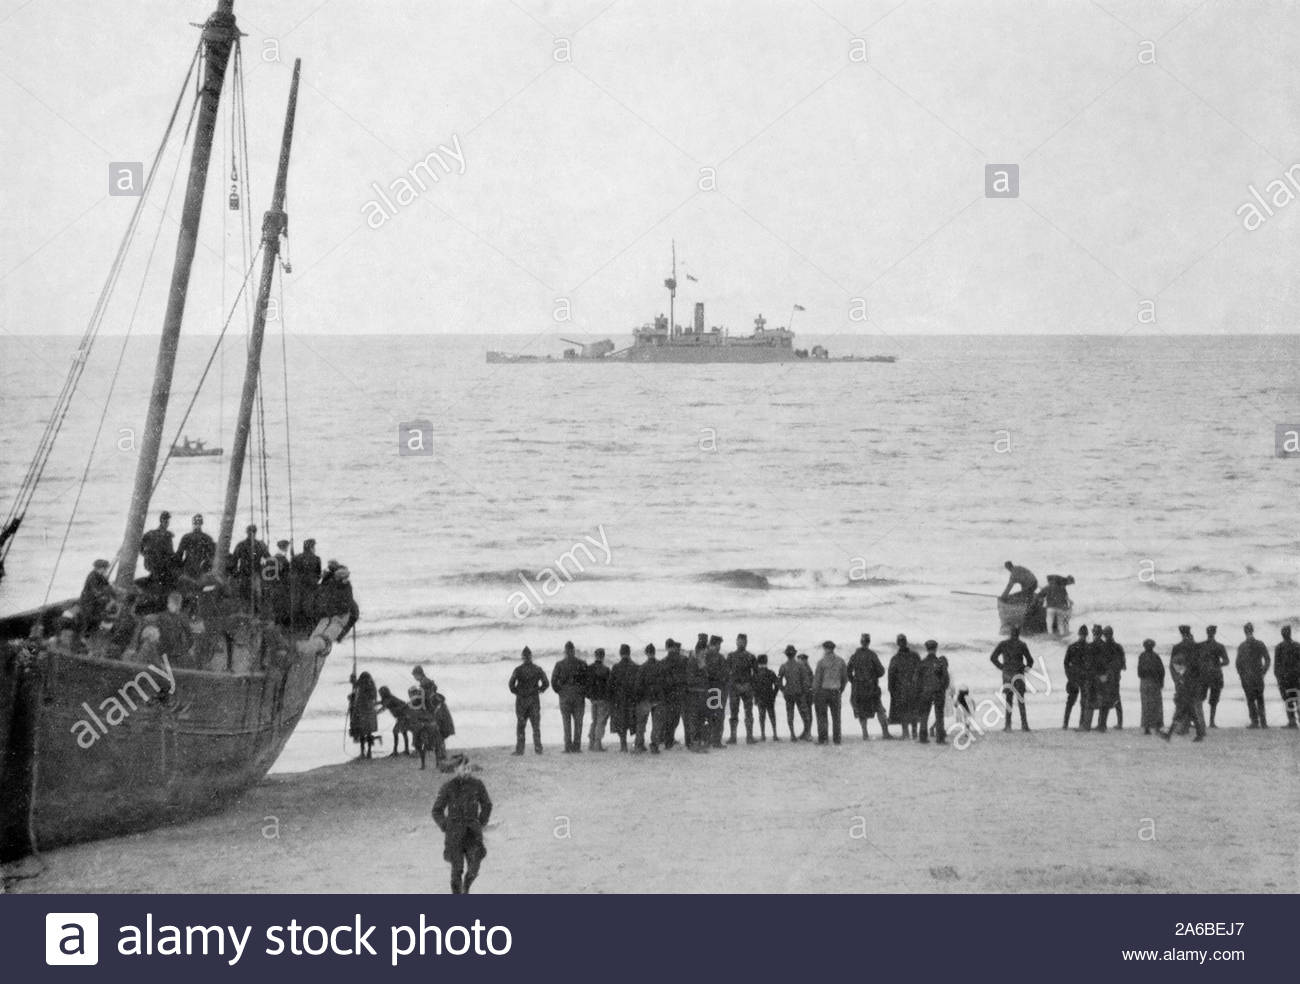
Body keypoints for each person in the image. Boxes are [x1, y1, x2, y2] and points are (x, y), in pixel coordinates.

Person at [431, 757, 492, 894]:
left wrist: (481, 821)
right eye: (464, 768)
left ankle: (467, 887)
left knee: (474, 868)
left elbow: (487, 804)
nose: (467, 771)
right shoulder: (448, 787)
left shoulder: (477, 784)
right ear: (455, 770)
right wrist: (445, 824)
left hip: (472, 833)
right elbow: (436, 810)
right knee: (456, 870)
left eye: (469, 768)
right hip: (454, 835)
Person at [1162, 630, 1206, 742]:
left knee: (1183, 711)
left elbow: (1175, 666)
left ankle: (1171, 733)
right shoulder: (1196, 648)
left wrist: (1178, 681)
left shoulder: (1179, 649)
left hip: (1186, 687)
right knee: (1190, 711)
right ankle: (1199, 733)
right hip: (1192, 685)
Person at [990, 625, 1033, 732]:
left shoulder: (1003, 644)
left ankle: (1008, 726)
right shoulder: (1022, 645)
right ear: (1018, 634)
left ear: (1010, 633)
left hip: (1007, 674)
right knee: (1021, 700)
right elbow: (1030, 661)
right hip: (1018, 674)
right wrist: (1025, 669)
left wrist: (1002, 667)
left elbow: (993, 658)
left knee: (1009, 700)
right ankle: (1024, 725)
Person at [848, 633, 891, 740]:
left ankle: (865, 734)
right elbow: (881, 671)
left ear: (860, 642)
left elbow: (848, 671)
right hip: (871, 687)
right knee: (879, 709)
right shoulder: (872, 655)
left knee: (861, 711)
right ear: (869, 642)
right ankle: (885, 733)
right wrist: (873, 676)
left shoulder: (855, 655)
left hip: (858, 687)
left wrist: (854, 681)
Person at [508, 646, 548, 755]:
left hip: (521, 702)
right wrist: (539, 690)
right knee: (536, 727)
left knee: (521, 727)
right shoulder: (538, 669)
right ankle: (538, 749)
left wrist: (518, 692)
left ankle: (520, 750)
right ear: (531, 657)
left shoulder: (518, 670)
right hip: (534, 701)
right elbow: (546, 683)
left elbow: (511, 685)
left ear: (522, 657)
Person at [551, 641, 588, 753]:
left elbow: (553, 681)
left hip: (565, 696)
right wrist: (583, 691)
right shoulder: (582, 663)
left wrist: (560, 691)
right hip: (578, 696)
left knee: (566, 722)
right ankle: (576, 747)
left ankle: (567, 746)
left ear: (565, 651)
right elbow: (588, 680)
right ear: (574, 650)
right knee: (578, 722)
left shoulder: (559, 664)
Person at [311, 563, 359, 646]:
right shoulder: (339, 584)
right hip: (332, 615)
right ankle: (337, 637)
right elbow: (352, 611)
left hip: (323, 614)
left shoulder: (326, 582)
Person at [812, 640, 848, 745]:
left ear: (825, 649)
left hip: (823, 691)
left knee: (822, 716)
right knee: (836, 717)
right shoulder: (841, 661)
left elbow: (817, 680)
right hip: (836, 691)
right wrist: (841, 690)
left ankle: (823, 739)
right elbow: (845, 678)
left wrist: (814, 692)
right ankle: (837, 739)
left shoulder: (821, 662)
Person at [1235, 622, 1270, 728]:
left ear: (1244, 632)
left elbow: (1238, 663)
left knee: (1250, 699)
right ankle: (1263, 722)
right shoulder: (1260, 644)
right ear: (1252, 631)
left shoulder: (1242, 646)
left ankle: (1255, 722)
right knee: (1260, 698)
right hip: (1258, 675)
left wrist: (1241, 675)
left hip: (1247, 676)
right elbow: (1267, 659)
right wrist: (1263, 671)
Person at [916, 640, 950, 744]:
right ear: (936, 649)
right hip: (938, 691)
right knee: (939, 715)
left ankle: (922, 738)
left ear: (927, 649)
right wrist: (943, 689)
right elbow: (946, 678)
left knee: (924, 715)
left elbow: (916, 680)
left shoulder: (922, 663)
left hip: (925, 692)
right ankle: (940, 738)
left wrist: (920, 691)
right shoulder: (940, 662)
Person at [726, 633, 757, 744]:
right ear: (736, 641)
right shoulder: (731, 656)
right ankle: (734, 737)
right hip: (737, 687)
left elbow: (756, 674)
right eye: (740, 641)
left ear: (746, 642)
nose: (741, 643)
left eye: (743, 641)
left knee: (748, 712)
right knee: (734, 713)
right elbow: (727, 673)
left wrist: (749, 685)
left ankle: (749, 736)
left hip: (744, 687)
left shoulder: (751, 656)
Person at [888, 635, 921, 739]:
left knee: (903, 712)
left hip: (900, 689)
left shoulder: (895, 658)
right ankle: (914, 733)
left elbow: (891, 676)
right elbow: (920, 672)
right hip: (913, 688)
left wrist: (891, 690)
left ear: (898, 643)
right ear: (906, 642)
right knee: (913, 710)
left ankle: (905, 733)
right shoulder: (915, 656)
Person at [608, 644, 640, 752]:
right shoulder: (635, 667)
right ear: (629, 653)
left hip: (619, 699)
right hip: (632, 698)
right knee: (633, 721)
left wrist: (611, 699)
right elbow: (638, 684)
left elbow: (610, 685)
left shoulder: (616, 667)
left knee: (621, 722)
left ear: (620, 653)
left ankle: (623, 745)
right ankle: (637, 743)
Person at [229, 523, 270, 605]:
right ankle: (256, 611)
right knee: (257, 593)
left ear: (246, 532)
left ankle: (245, 611)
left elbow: (234, 560)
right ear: (255, 532)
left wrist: (234, 573)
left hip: (244, 573)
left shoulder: (241, 544)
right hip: (255, 572)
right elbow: (268, 557)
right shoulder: (260, 544)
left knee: (244, 593)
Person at [777, 645, 812, 740]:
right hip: (799, 692)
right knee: (805, 714)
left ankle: (792, 735)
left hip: (788, 693)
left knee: (790, 714)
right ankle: (807, 734)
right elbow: (806, 680)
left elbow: (778, 680)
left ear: (786, 655)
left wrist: (783, 690)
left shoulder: (783, 666)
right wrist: (805, 691)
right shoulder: (800, 665)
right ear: (795, 654)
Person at [1169, 625, 1199, 735]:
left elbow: (1172, 665)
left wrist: (1176, 679)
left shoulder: (1177, 647)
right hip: (1192, 678)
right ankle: (1192, 726)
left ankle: (1183, 727)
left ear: (1181, 633)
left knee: (1181, 701)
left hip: (1180, 677)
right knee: (1191, 701)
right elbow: (1198, 663)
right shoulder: (1195, 646)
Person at [77, 558, 117, 638]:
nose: (106, 570)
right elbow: (97, 591)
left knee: (98, 617)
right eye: (105, 568)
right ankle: (85, 638)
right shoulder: (92, 577)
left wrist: (113, 592)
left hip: (95, 601)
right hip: (88, 602)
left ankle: (96, 632)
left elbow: (107, 586)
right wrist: (107, 598)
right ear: (100, 568)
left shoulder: (100, 576)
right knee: (88, 620)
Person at [658, 639, 687, 750]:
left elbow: (660, 679)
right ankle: (669, 740)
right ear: (675, 647)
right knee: (675, 718)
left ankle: (667, 740)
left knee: (668, 718)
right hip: (679, 692)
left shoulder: (663, 661)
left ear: (666, 647)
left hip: (667, 694)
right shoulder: (682, 660)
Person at [1200, 625, 1229, 728]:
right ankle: (1211, 722)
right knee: (1214, 700)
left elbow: (1195, 660)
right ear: (1214, 633)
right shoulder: (1219, 646)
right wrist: (1218, 665)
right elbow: (1226, 661)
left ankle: (1200, 721)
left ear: (1207, 633)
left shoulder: (1201, 645)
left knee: (1201, 698)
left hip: (1203, 675)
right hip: (1216, 675)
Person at [684, 643, 712, 753]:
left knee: (701, 720)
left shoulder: (701, 661)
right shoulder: (692, 662)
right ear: (699, 651)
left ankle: (699, 743)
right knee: (694, 720)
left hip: (702, 695)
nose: (705, 654)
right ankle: (694, 744)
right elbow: (690, 680)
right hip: (694, 695)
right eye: (704, 651)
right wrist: (703, 678)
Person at [1097, 626, 1125, 730]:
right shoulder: (1118, 647)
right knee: (1116, 698)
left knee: (1105, 698)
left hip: (1106, 676)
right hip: (1116, 676)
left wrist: (1101, 675)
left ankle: (1102, 723)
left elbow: (1101, 663)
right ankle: (1119, 722)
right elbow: (1123, 664)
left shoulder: (1104, 647)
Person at [289, 537, 322, 626]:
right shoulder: (316, 559)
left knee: (298, 604)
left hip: (298, 586)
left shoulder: (296, 558)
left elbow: (292, 572)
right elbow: (318, 574)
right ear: (312, 547)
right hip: (311, 585)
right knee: (309, 606)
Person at [1080, 624, 1108, 731]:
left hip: (1092, 676)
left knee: (1090, 700)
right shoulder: (1105, 645)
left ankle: (1087, 725)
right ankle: (1102, 725)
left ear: (1093, 633)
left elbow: (1087, 662)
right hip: (1103, 676)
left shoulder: (1090, 646)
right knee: (1103, 700)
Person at [1062, 626, 1089, 729]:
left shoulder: (1074, 647)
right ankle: (1066, 723)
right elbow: (1065, 663)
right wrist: (1069, 676)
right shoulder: (1076, 647)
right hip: (1076, 677)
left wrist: (1069, 675)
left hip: (1080, 677)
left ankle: (1077, 723)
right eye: (1082, 634)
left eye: (1084, 635)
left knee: (1081, 702)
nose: (1083, 636)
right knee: (1072, 702)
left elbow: (1066, 663)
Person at [140, 510, 176, 587]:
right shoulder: (166, 535)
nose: (167, 522)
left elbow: (140, 546)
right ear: (163, 521)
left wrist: (145, 555)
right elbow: (170, 552)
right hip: (160, 565)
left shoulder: (151, 533)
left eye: (167, 520)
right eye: (166, 520)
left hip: (152, 565)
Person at [174, 513, 216, 580]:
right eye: (196, 523)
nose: (197, 525)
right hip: (198, 568)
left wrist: (179, 569)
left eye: (198, 523)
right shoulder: (207, 538)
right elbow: (179, 555)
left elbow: (179, 555)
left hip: (193, 568)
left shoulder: (187, 537)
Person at [347, 671, 379, 758]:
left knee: (362, 733)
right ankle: (368, 752)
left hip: (362, 714)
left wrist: (353, 679)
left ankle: (363, 752)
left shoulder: (361, 685)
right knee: (368, 733)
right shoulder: (372, 687)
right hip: (370, 714)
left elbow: (355, 685)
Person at [639, 643, 664, 754]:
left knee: (641, 723)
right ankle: (654, 746)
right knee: (656, 724)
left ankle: (639, 745)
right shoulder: (660, 666)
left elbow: (638, 685)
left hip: (646, 698)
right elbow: (665, 682)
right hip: (658, 699)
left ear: (646, 653)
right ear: (654, 652)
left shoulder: (643, 667)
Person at [1136, 639, 1165, 735]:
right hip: (1154, 682)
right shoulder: (1156, 656)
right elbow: (1162, 671)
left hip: (1145, 682)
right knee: (1156, 705)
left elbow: (1139, 672)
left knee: (1146, 705)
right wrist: (1161, 682)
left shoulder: (1142, 656)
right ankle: (1157, 726)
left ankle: (1147, 727)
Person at [705, 635, 729, 747]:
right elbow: (725, 674)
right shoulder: (719, 657)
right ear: (716, 644)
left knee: (709, 715)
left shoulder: (704, 655)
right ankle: (716, 741)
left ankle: (708, 739)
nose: (719, 647)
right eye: (719, 644)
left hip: (707, 690)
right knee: (718, 715)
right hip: (718, 690)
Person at [586, 648, 612, 751]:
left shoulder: (589, 668)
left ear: (595, 656)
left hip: (593, 698)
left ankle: (591, 743)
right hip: (603, 698)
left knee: (594, 720)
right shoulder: (606, 670)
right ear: (603, 656)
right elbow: (610, 686)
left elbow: (586, 683)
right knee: (601, 721)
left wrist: (588, 696)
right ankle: (597, 744)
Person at [1275, 625, 1300, 729]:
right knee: (1298, 699)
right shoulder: (1297, 645)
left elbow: (1277, 665)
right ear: (1290, 633)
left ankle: (1292, 721)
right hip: (1296, 677)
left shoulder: (1279, 647)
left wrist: (1278, 678)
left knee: (1288, 700)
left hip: (1285, 678)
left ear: (1282, 634)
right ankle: (1295, 720)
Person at [753, 654, 780, 740]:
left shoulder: (756, 674)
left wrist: (755, 698)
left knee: (762, 716)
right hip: (769, 697)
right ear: (766, 662)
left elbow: (753, 687)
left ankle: (763, 735)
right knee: (772, 716)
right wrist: (774, 695)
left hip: (760, 697)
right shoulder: (771, 673)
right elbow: (777, 685)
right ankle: (775, 735)